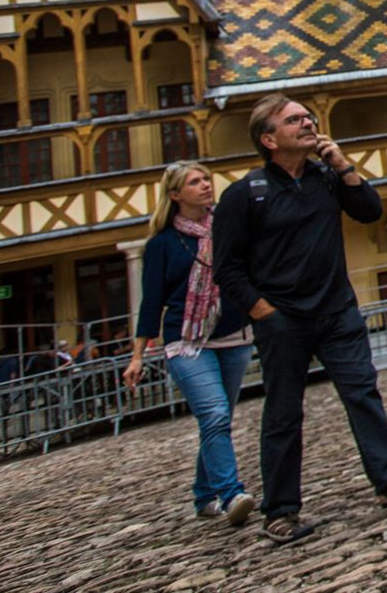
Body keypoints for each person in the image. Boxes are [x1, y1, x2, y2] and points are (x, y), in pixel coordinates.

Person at [212, 94, 387, 545]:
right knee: (284, 413)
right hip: (283, 318)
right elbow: (227, 269)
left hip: (336, 309)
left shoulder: (325, 178)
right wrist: (263, 311)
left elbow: (369, 210)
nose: (307, 123)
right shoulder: (244, 195)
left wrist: (341, 164)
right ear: (268, 139)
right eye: (293, 119)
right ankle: (280, 509)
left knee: (362, 391)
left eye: (308, 117)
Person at [121, 161, 257, 524]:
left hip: (234, 336)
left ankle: (203, 494)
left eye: (206, 179)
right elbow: (151, 302)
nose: (205, 185)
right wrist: (137, 355)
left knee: (218, 418)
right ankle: (231, 494)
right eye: (194, 182)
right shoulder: (162, 244)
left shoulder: (227, 228)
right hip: (186, 342)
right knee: (214, 414)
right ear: (175, 194)